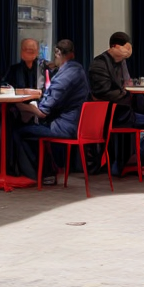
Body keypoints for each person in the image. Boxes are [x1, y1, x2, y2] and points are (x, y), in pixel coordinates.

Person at [13, 39, 90, 181]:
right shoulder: (78, 69)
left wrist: (23, 106)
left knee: (18, 131)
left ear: (58, 53)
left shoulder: (63, 77)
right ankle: (44, 171)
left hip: (64, 128)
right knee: (29, 127)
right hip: (77, 124)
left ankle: (39, 174)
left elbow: (43, 112)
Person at [89, 31, 144, 171]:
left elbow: (126, 83)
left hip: (124, 110)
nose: (127, 53)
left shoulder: (122, 63)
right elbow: (103, 92)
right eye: (125, 49)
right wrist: (126, 92)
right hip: (112, 114)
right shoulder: (99, 64)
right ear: (114, 46)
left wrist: (130, 88)